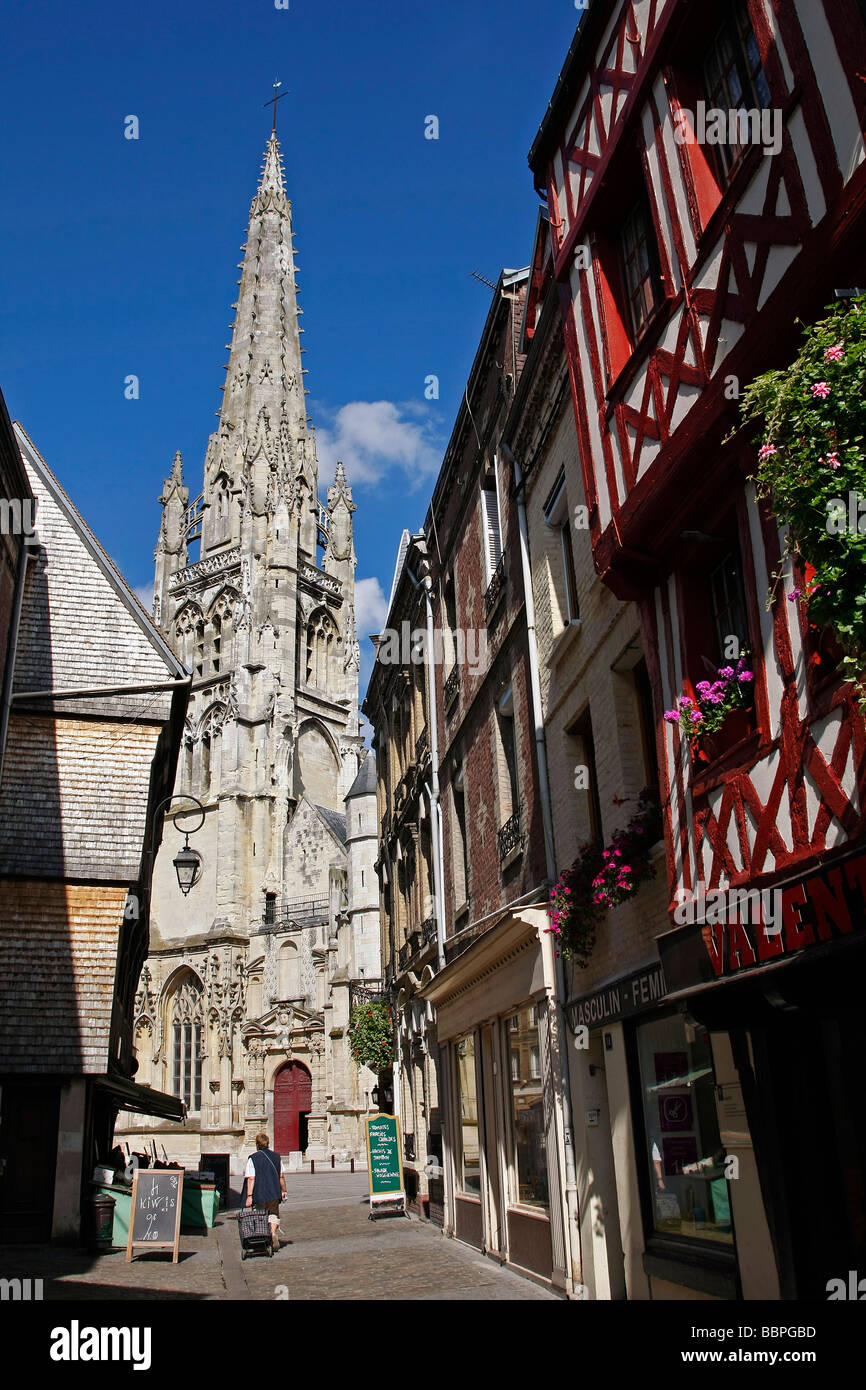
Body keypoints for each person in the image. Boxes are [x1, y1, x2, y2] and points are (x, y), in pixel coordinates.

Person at [244, 1131, 287, 1252]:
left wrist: (249, 1196)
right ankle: (273, 1233)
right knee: (274, 1213)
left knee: (260, 1215)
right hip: (274, 1191)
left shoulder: (253, 1158)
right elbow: (281, 1176)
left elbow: (251, 1178)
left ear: (257, 1144)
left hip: (259, 1192)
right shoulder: (276, 1157)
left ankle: (263, 1239)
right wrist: (284, 1190)